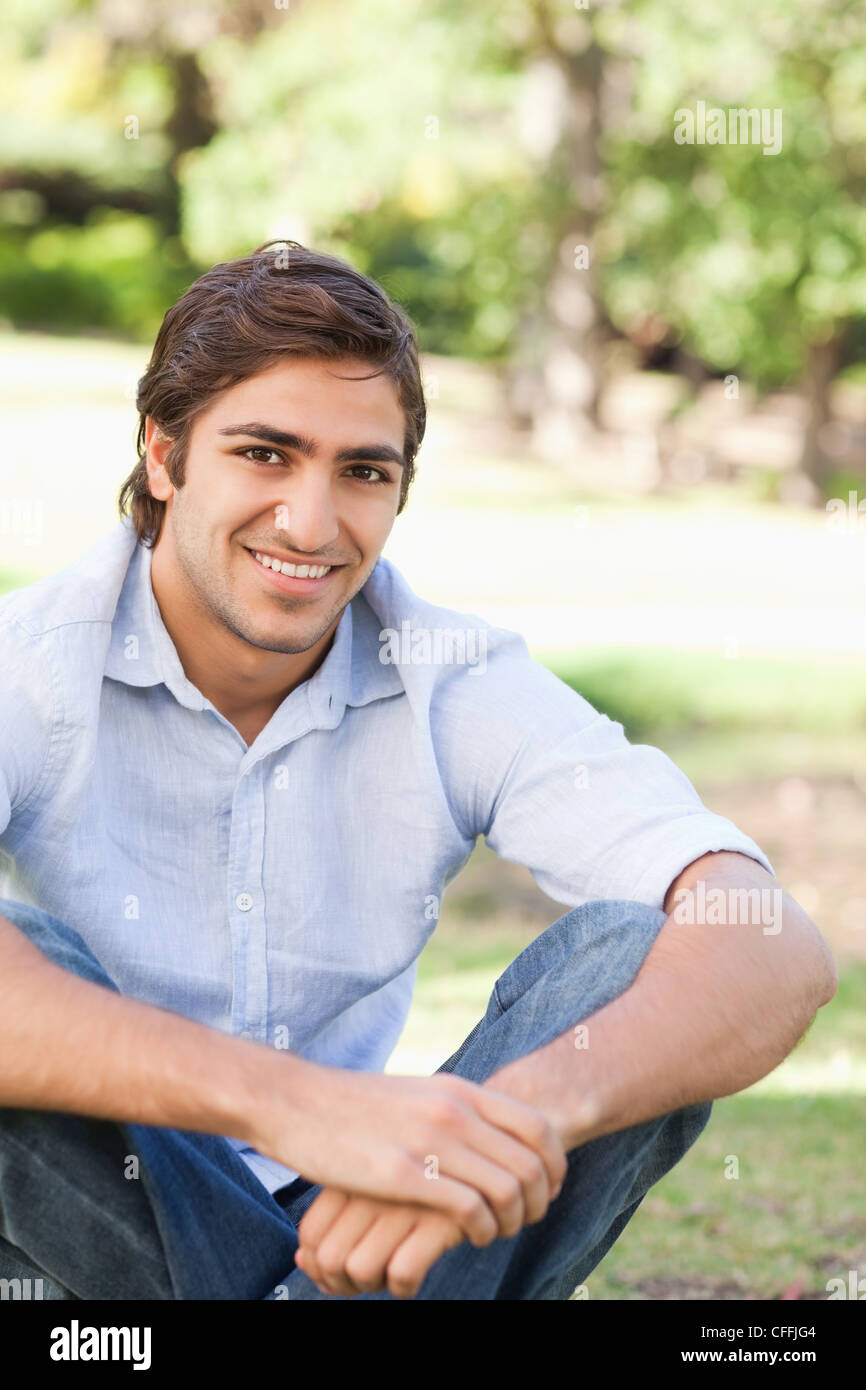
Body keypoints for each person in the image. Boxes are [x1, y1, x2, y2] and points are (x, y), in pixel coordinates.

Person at [0, 243, 837, 1301]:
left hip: (392, 1224)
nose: (312, 523)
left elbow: (772, 947)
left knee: (632, 960)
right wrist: (289, 1104)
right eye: (264, 453)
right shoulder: (29, 666)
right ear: (162, 456)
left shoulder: (452, 679)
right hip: (109, 1215)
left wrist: (511, 1121)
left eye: (362, 471)